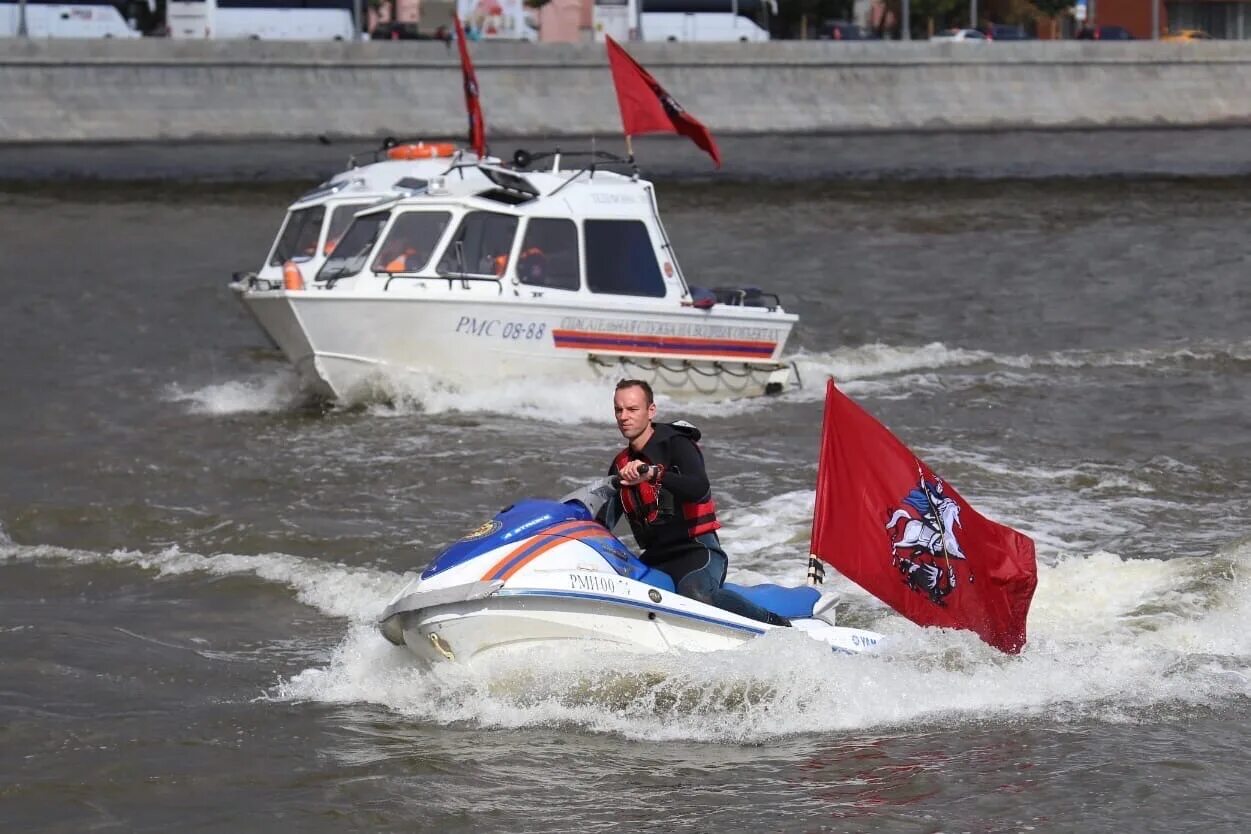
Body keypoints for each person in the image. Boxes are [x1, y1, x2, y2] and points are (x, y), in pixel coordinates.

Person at [601, 379, 790, 627]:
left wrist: (653, 474)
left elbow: (699, 489)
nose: (624, 417)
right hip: (655, 557)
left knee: (696, 595)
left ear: (651, 411)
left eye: (632, 409)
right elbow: (603, 522)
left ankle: (776, 625)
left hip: (697, 550)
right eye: (619, 410)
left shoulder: (677, 444)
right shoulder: (621, 464)